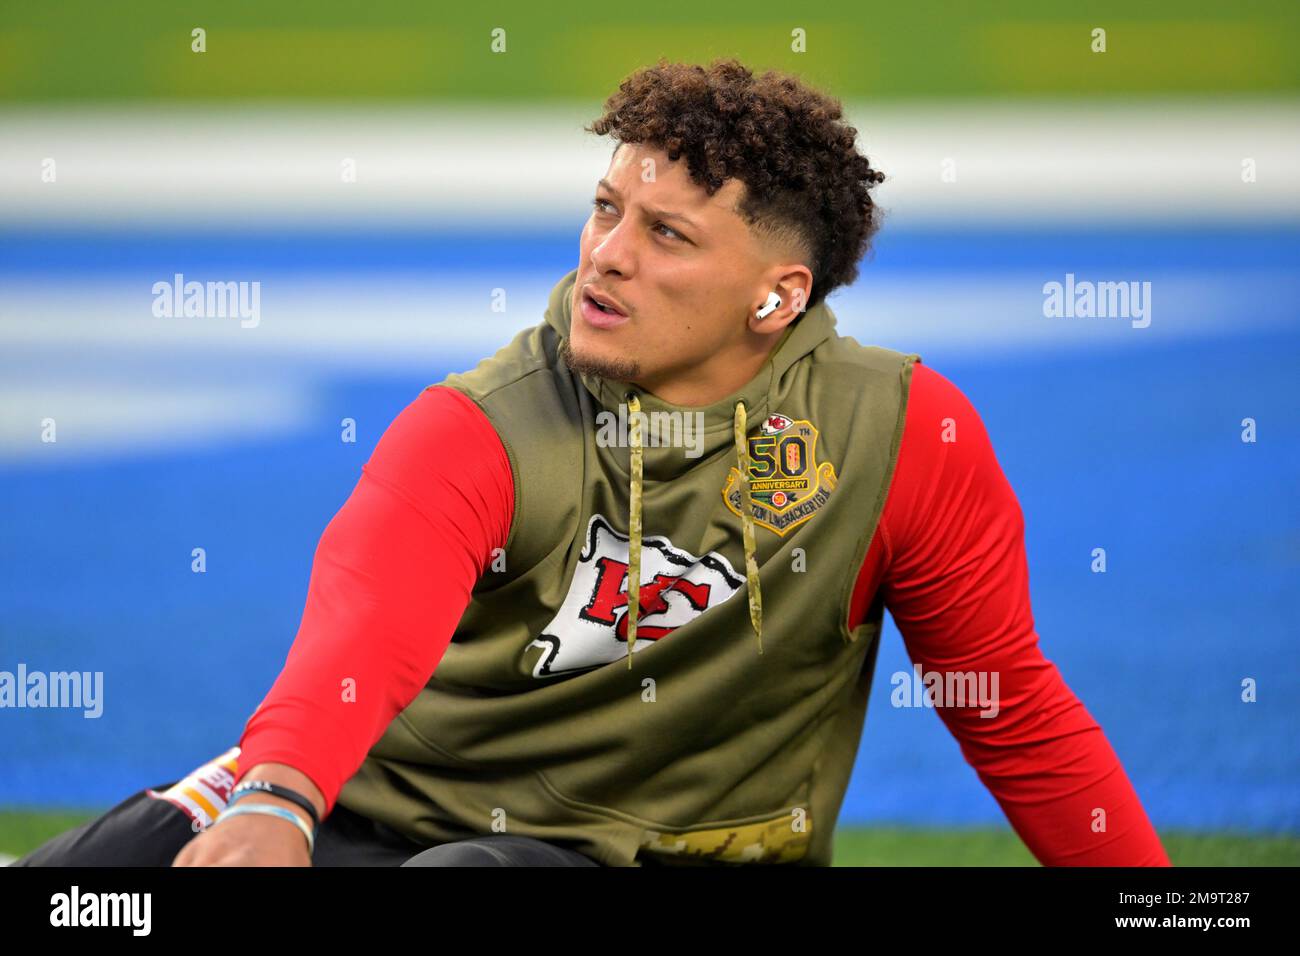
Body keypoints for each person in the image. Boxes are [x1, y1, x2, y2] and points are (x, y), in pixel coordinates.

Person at [15, 57, 1169, 868]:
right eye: (606, 208)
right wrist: (275, 795)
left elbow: (1008, 706)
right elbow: (359, 641)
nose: (607, 256)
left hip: (654, 856)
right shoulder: (479, 425)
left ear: (777, 297)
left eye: (667, 234)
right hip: (375, 810)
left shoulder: (900, 433)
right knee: (106, 884)